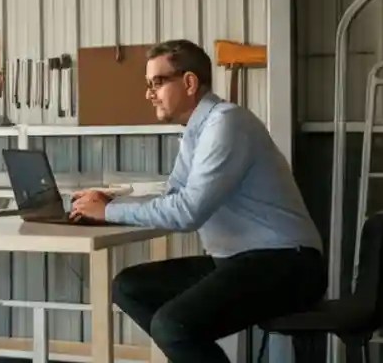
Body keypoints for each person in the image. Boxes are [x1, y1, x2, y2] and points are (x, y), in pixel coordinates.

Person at [68, 39, 325, 363]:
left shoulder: (226, 123)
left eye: (157, 83)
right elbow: (174, 195)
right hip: (241, 260)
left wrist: (109, 212)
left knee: (174, 325)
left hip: (288, 264)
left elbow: (188, 212)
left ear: (189, 82)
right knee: (129, 287)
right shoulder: (196, 132)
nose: (148, 94)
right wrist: (110, 201)